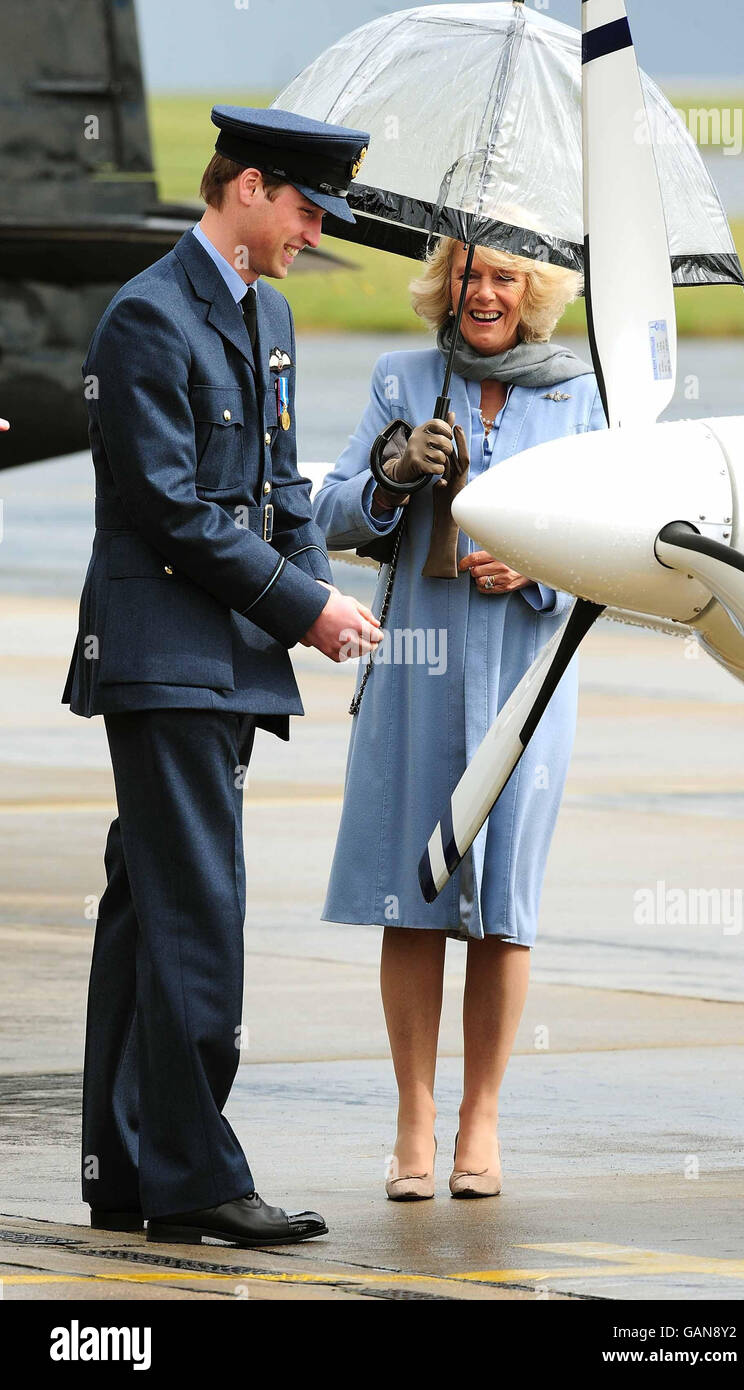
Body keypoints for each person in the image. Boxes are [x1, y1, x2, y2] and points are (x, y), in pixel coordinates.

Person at [62, 106, 382, 1247]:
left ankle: (123, 1161)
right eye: (303, 209)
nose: (312, 233)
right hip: (163, 659)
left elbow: (280, 488)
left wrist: (320, 598)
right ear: (247, 187)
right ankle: (197, 1178)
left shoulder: (267, 311)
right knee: (199, 909)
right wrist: (300, 606)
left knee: (150, 910)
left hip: (226, 660)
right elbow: (171, 509)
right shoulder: (150, 316)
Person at [313, 236, 607, 1200]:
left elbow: (616, 545)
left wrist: (539, 564)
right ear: (446, 283)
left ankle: (480, 1120)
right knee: (413, 897)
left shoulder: (579, 395)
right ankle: (414, 1123)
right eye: (470, 275)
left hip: (528, 672)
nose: (483, 292)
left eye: (505, 278)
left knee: (502, 910)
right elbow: (331, 516)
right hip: (417, 667)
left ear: (534, 294)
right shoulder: (404, 377)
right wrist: (396, 473)